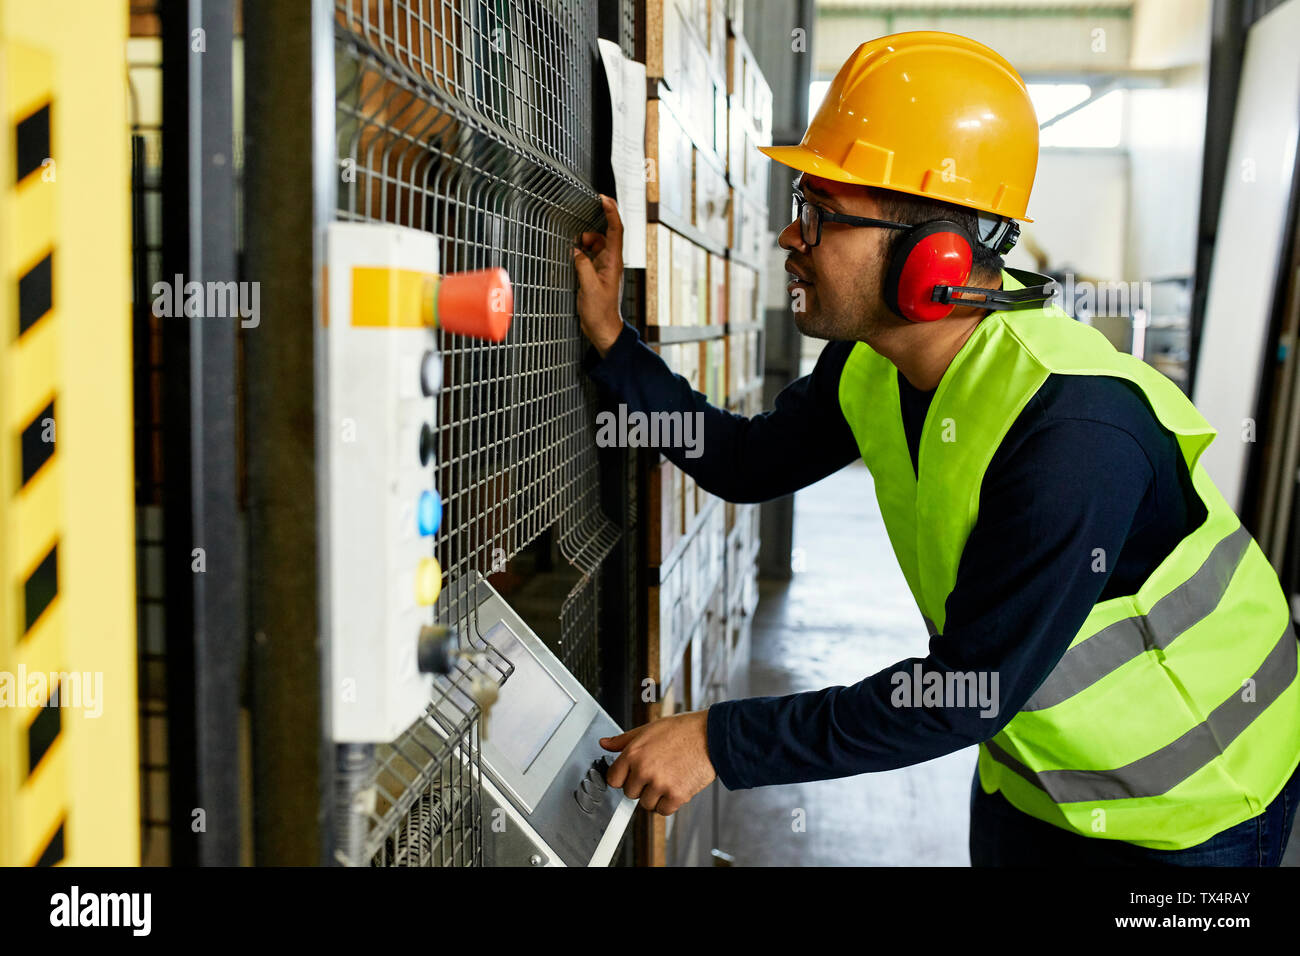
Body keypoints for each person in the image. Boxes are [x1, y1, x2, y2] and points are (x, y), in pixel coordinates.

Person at [572, 31, 1300, 865]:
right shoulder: (871, 365)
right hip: (1033, 775)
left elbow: (967, 691)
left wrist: (721, 740)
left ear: (934, 257)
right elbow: (746, 464)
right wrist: (614, 344)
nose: (790, 238)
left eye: (818, 213)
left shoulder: (1074, 431)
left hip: (1194, 806)